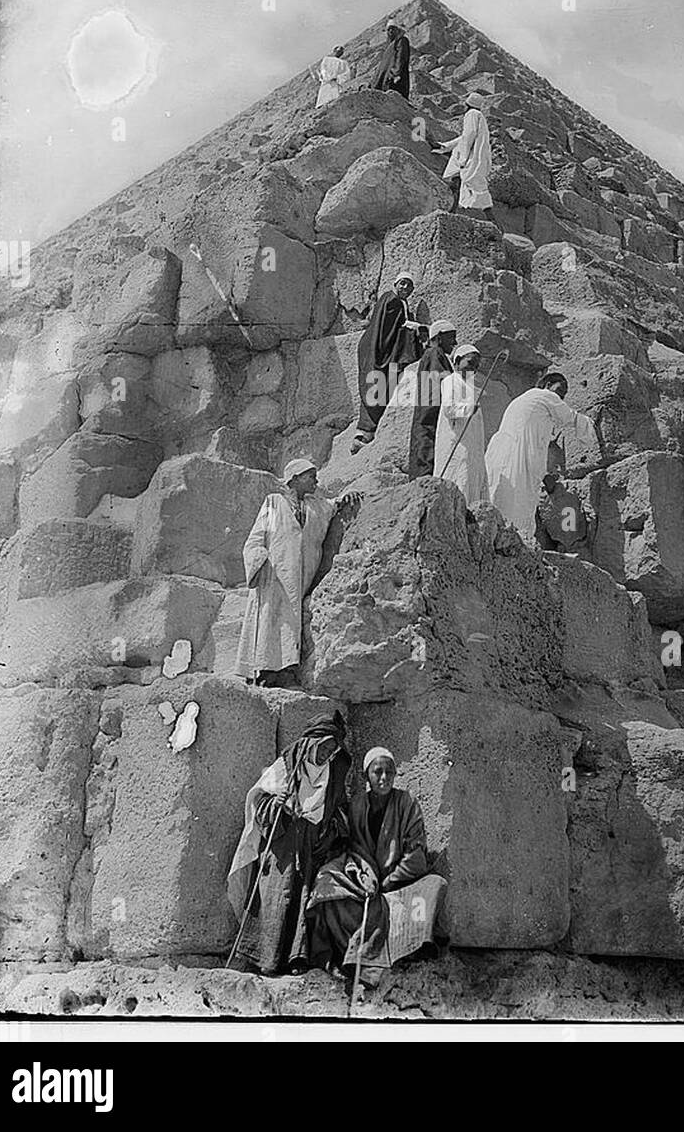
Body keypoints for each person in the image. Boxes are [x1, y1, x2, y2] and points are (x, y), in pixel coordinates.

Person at [307, 748, 446, 993]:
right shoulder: (357, 805)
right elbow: (352, 848)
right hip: (366, 880)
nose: (383, 778)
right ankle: (351, 953)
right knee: (325, 880)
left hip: (401, 883)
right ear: (366, 776)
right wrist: (363, 874)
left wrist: (391, 879)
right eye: (377, 772)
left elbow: (416, 853)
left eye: (389, 772)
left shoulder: (407, 803)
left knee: (434, 885)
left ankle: (410, 947)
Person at [226, 712, 350, 976]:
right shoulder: (287, 766)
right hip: (282, 846)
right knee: (275, 896)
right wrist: (277, 804)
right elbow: (258, 804)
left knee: (304, 898)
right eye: (323, 747)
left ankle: (298, 958)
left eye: (331, 749)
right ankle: (265, 958)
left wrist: (330, 828)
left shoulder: (334, 775)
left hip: (314, 847)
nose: (326, 753)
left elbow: (340, 810)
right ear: (310, 744)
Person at [236, 458, 360, 685]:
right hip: (274, 573)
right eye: (310, 476)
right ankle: (266, 673)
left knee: (290, 623)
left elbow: (334, 505)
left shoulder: (315, 505)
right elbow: (255, 538)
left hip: (299, 578)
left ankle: (286, 672)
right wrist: (257, 561)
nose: (316, 480)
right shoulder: (274, 502)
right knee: (270, 622)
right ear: (295, 478)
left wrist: (347, 495)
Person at [485, 372, 597, 543]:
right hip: (517, 458)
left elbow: (536, 441)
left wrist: (544, 475)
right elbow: (570, 417)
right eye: (560, 390)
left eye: (564, 394)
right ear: (547, 384)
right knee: (518, 503)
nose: (561, 396)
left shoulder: (525, 399)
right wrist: (591, 425)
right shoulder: (544, 396)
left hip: (503, 455)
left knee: (502, 498)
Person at [351, 272, 421, 453]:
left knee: (376, 384)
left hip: (379, 347)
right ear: (396, 284)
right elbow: (391, 328)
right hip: (378, 349)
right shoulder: (392, 301)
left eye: (409, 286)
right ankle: (365, 431)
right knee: (376, 383)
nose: (405, 288)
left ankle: (365, 430)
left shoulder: (398, 303)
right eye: (403, 284)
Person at [433, 343, 489, 506]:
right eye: (470, 363)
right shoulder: (451, 380)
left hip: (472, 446)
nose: (473, 369)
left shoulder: (470, 387)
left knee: (472, 480)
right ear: (457, 362)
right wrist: (468, 409)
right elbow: (449, 409)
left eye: (476, 366)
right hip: (456, 442)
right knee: (458, 478)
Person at [407, 319, 457, 478]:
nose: (455, 343)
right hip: (430, 415)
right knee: (426, 454)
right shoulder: (434, 353)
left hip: (429, 414)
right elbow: (443, 379)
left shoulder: (435, 354)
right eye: (451, 338)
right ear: (439, 337)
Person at [434, 93, 493, 211]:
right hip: (476, 157)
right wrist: (446, 146)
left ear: (467, 105)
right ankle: (453, 211)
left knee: (472, 187)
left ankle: (453, 212)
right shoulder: (479, 116)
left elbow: (469, 136)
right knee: (462, 184)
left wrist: (462, 159)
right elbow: (465, 137)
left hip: (470, 158)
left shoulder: (471, 114)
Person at [371, 22, 411, 98]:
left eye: (393, 28)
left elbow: (401, 58)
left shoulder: (402, 40)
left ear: (398, 30)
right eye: (388, 29)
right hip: (385, 81)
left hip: (394, 81)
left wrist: (395, 74)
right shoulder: (389, 46)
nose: (390, 31)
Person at [314, 44, 351, 109]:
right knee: (323, 98)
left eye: (340, 52)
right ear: (333, 51)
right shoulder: (326, 59)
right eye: (337, 51)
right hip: (326, 83)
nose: (338, 53)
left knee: (334, 99)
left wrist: (337, 78)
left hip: (335, 83)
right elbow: (323, 70)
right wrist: (327, 77)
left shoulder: (343, 63)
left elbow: (346, 74)